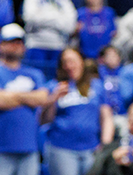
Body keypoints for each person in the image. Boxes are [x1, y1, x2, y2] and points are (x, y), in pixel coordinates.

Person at [0, 23, 49, 175]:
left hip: (29, 149)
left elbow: (42, 98)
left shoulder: (34, 74)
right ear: (0, 45)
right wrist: (29, 97)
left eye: (19, 42)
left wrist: (11, 95)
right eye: (10, 42)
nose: (15, 46)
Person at [41, 47, 116, 175]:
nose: (69, 65)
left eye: (73, 61)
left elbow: (106, 117)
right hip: (61, 148)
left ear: (82, 62)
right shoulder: (54, 86)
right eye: (65, 62)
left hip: (92, 148)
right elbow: (45, 120)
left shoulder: (96, 86)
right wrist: (53, 98)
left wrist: (105, 145)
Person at [22, 0, 78, 79]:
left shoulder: (64, 1)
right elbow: (30, 19)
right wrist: (57, 18)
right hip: (36, 46)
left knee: (57, 81)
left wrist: (43, 17)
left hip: (58, 47)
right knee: (35, 80)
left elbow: (70, 26)